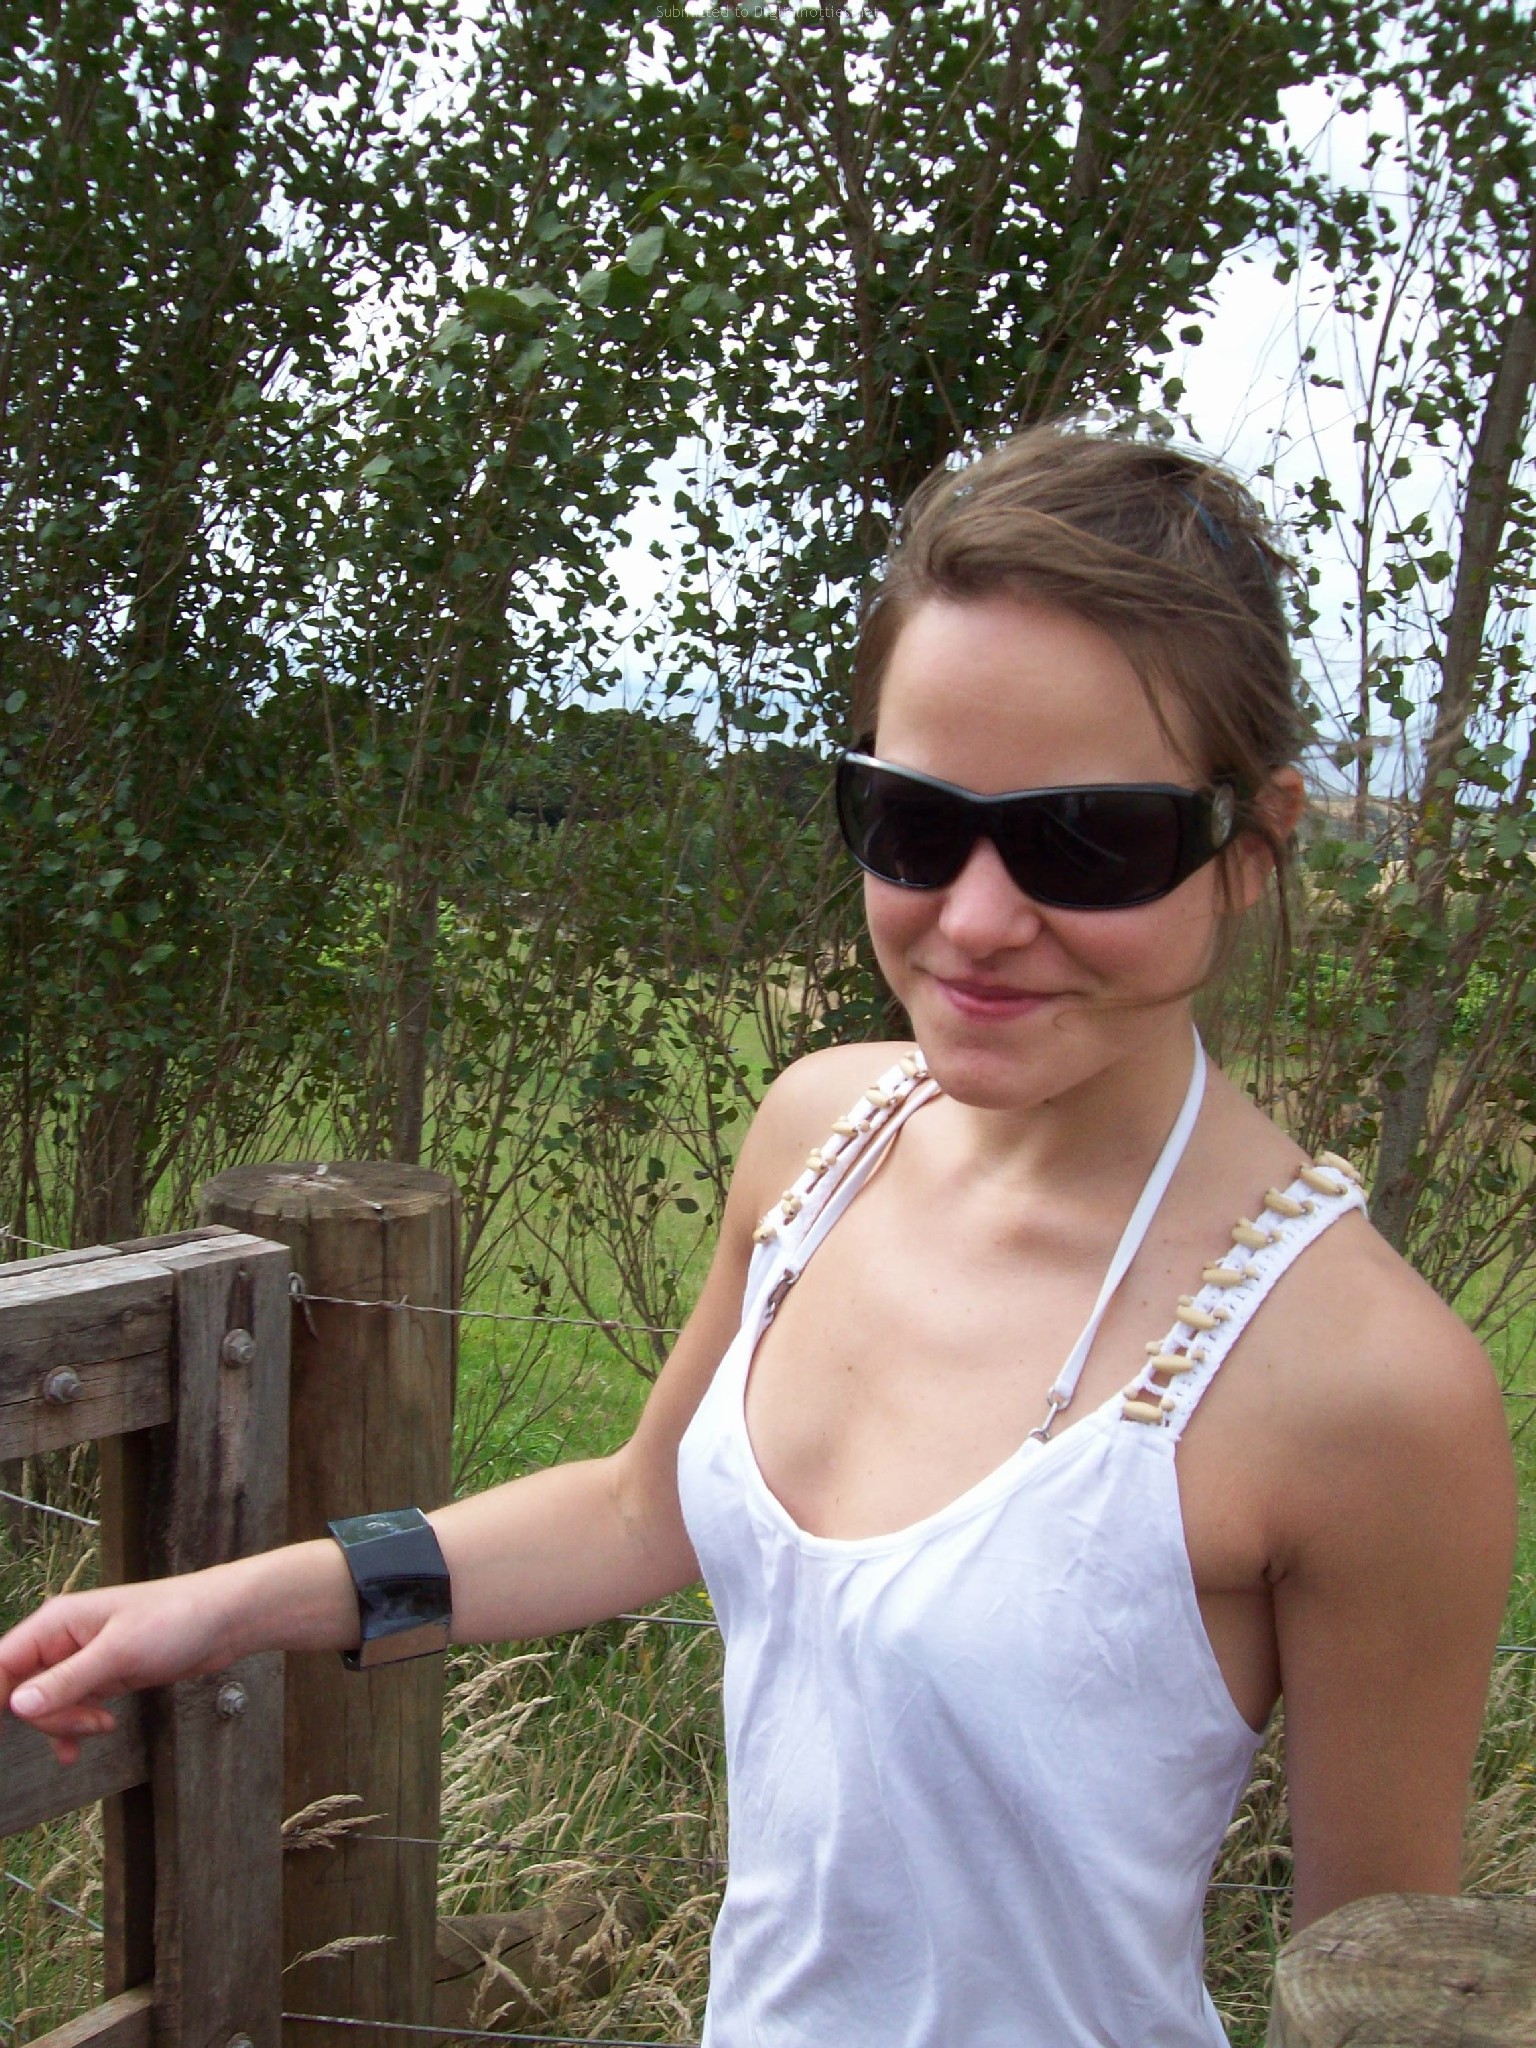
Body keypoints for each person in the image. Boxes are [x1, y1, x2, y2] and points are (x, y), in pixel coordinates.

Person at [0, 423, 1516, 2046]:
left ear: (1255, 843)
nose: (977, 920)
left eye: (1091, 839)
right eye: (913, 822)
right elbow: (638, 1510)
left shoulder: (1363, 1386)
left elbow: (1383, 1991)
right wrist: (234, 1604)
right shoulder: (824, 1135)